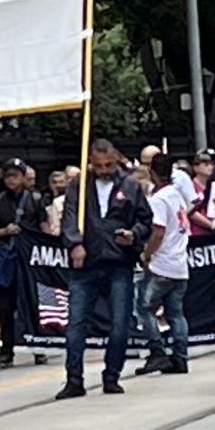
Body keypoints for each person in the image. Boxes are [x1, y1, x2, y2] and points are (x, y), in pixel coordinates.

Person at [57, 139, 152, 398]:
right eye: (98, 166)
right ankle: (74, 378)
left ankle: (112, 375)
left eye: (108, 164)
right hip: (85, 263)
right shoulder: (79, 185)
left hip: (119, 261)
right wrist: (74, 243)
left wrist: (134, 235)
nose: (103, 170)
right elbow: (69, 216)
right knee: (76, 323)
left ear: (116, 159)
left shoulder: (130, 185)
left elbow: (146, 220)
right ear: (90, 162)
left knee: (120, 323)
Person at [0, 160, 46, 368]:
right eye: (8, 176)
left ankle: (38, 347)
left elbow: (44, 227)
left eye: (15, 176)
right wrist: (4, 231)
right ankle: (6, 350)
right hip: (7, 260)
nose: (11, 180)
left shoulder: (35, 200)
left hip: (30, 261)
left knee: (32, 304)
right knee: (5, 307)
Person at [134, 152, 194, 376]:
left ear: (152, 172)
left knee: (145, 307)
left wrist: (147, 254)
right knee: (176, 312)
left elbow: (158, 231)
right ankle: (180, 355)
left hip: (162, 263)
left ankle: (157, 352)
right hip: (179, 263)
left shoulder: (158, 199)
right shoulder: (176, 194)